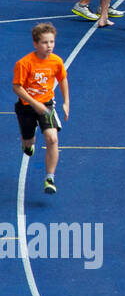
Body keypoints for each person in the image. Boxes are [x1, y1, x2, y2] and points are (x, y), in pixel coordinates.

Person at [13, 22, 68, 195]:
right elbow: (17, 87)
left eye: (52, 42)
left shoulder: (56, 61)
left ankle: (50, 178)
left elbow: (63, 79)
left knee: (52, 138)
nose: (49, 46)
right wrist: (34, 103)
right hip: (26, 107)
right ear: (35, 44)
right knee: (29, 142)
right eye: (45, 42)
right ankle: (27, 142)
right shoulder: (24, 63)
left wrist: (66, 102)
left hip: (47, 105)